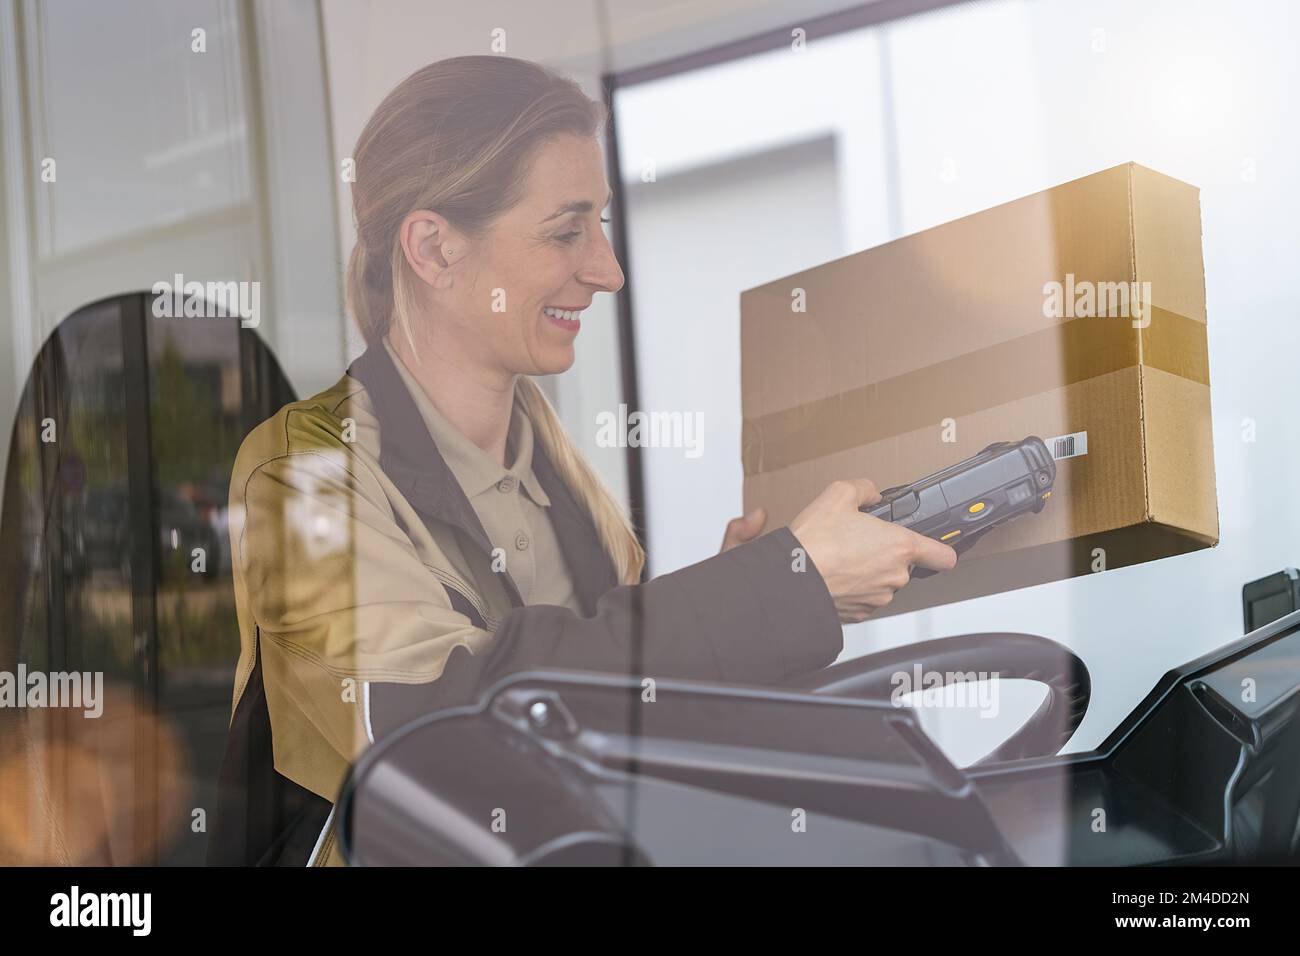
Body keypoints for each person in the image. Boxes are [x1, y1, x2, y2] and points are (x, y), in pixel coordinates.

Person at [209, 55, 956, 867]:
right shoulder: (301, 476)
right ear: (433, 248)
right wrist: (773, 591)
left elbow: (605, 727)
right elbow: (437, 733)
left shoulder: (564, 487)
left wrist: (741, 601)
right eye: (567, 231)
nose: (607, 271)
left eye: (600, 226)